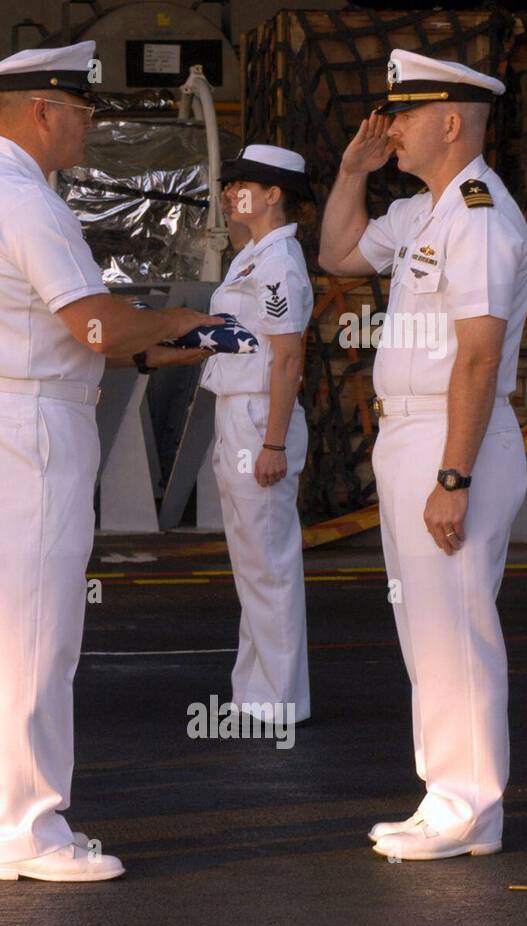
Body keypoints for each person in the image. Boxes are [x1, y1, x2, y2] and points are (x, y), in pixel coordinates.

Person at [0, 41, 220, 881]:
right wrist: (179, 322)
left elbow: (72, 334)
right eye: (82, 108)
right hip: (28, 427)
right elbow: (93, 323)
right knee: (36, 635)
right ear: (42, 113)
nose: (91, 122)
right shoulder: (27, 201)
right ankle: (30, 830)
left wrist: (157, 348)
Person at [319, 50, 527, 861]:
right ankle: (448, 795)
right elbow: (339, 253)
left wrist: (452, 476)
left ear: (451, 123)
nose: (390, 127)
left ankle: (471, 806)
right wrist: (352, 172)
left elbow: (478, 357)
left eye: (403, 116)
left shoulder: (478, 215)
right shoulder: (422, 213)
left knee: (457, 627)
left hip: (455, 441)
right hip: (411, 435)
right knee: (427, 629)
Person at [199, 145, 315, 723]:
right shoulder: (252, 255)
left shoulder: (279, 262)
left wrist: (272, 443)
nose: (230, 191)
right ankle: (257, 689)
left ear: (272, 195)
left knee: (268, 561)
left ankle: (280, 698)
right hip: (238, 410)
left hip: (259, 417)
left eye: (243, 183)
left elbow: (288, 358)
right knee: (251, 559)